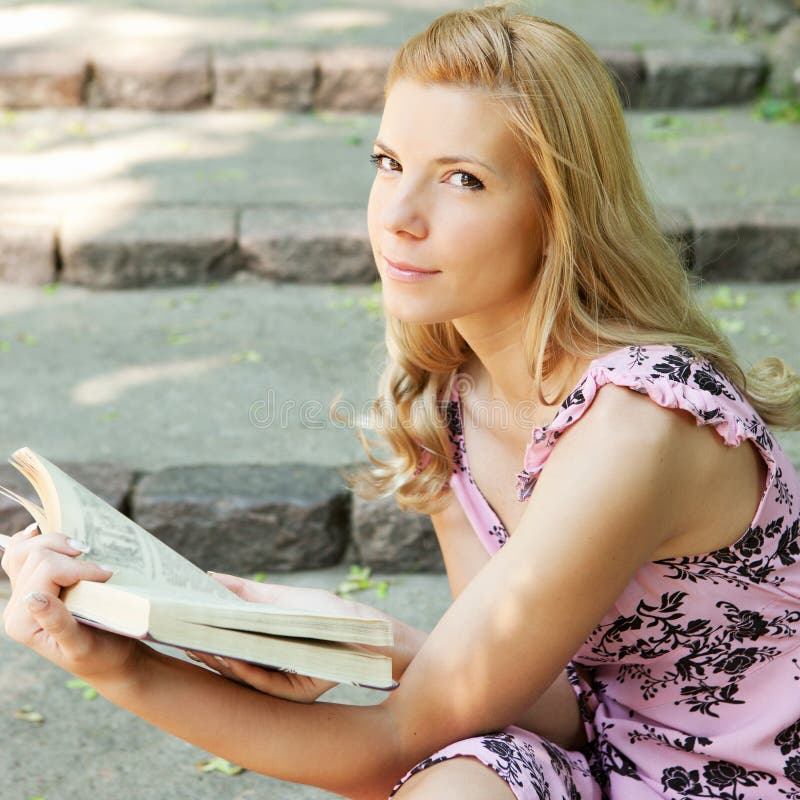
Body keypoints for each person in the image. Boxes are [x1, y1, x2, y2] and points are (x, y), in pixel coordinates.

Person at [3, 3, 800, 798]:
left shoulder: (638, 422)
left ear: (560, 212)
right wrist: (368, 641)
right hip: (617, 767)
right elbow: (548, 707)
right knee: (464, 781)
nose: (400, 216)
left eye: (464, 179)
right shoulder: (452, 403)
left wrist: (116, 667)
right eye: (388, 162)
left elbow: (396, 742)